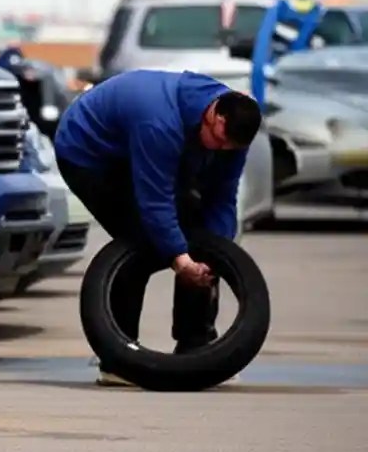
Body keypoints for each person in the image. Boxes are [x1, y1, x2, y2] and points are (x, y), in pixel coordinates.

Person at [53, 70, 262, 387]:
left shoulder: (231, 134)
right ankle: (118, 360)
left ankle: (197, 345)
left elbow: (222, 197)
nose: (220, 150)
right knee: (140, 242)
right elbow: (155, 200)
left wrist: (213, 253)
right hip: (90, 154)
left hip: (145, 145)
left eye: (228, 147)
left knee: (199, 243)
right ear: (213, 112)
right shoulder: (159, 121)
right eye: (218, 140)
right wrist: (180, 258)